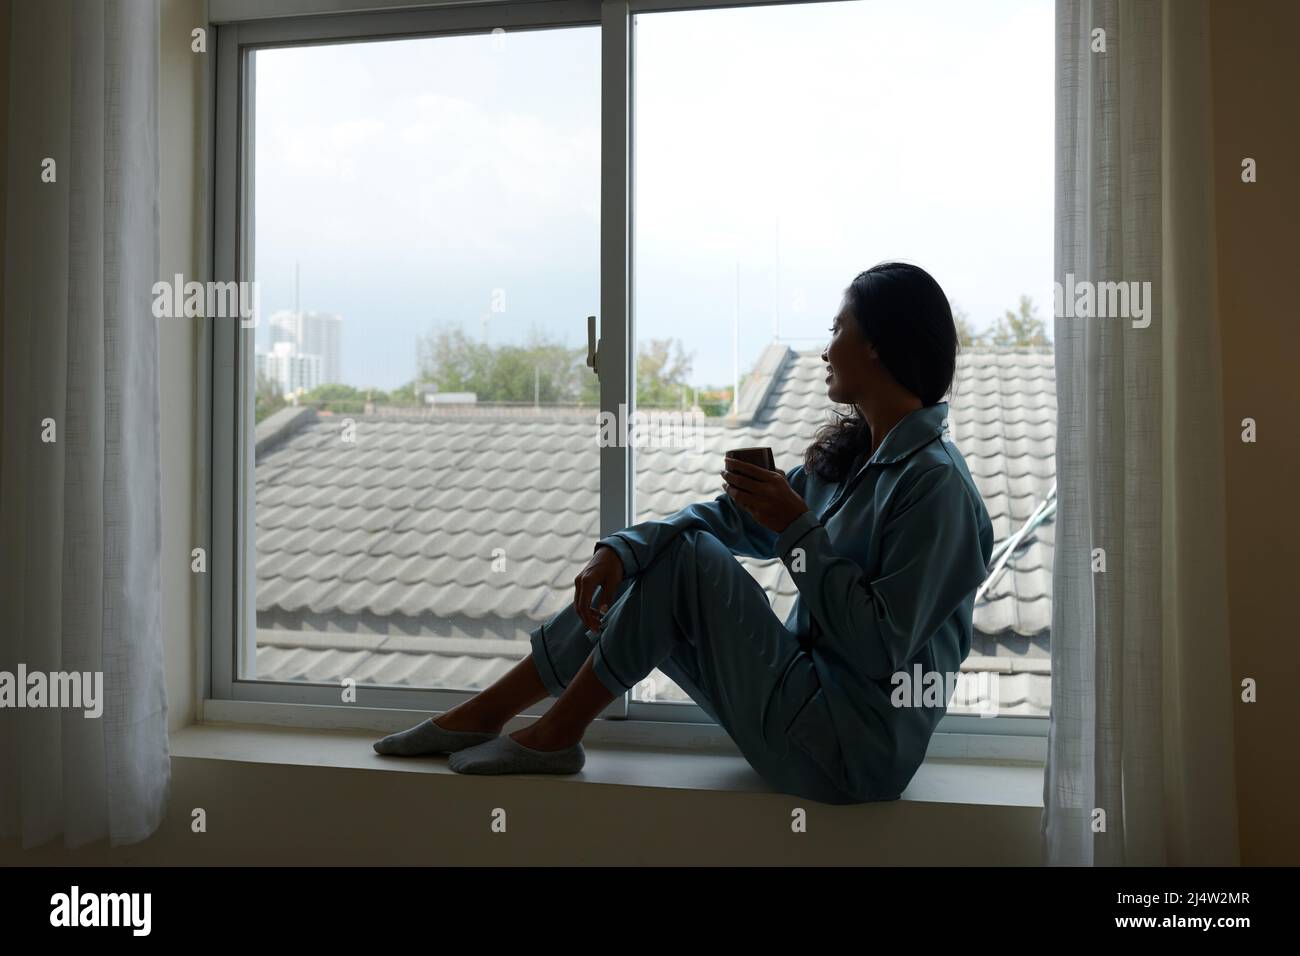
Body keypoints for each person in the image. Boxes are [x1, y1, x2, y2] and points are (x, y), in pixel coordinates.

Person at [374, 261, 994, 804]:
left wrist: (796, 530)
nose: (827, 349)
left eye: (839, 330)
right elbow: (725, 520)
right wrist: (622, 550)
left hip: (847, 755)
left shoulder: (935, 488)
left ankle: (545, 731)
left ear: (880, 344)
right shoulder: (853, 460)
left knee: (686, 561)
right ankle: (492, 714)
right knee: (669, 556)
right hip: (799, 709)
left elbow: (881, 648)